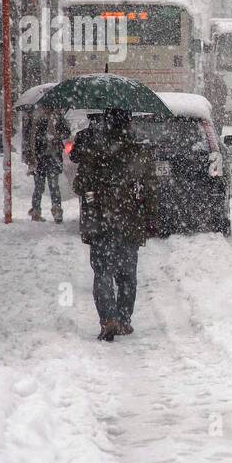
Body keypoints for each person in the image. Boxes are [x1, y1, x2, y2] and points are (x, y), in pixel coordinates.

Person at [71, 110, 158, 342]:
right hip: (129, 221)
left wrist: (93, 197)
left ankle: (107, 319)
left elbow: (80, 185)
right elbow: (150, 189)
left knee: (102, 273)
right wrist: (149, 215)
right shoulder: (139, 153)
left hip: (100, 221)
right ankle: (123, 319)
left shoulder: (93, 153)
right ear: (129, 124)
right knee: (127, 275)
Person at [24, 107, 68, 223]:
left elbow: (66, 132)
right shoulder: (34, 118)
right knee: (39, 187)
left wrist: (57, 136)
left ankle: (56, 212)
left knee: (53, 186)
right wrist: (28, 154)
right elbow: (28, 138)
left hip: (52, 156)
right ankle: (36, 212)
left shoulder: (57, 117)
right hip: (38, 158)